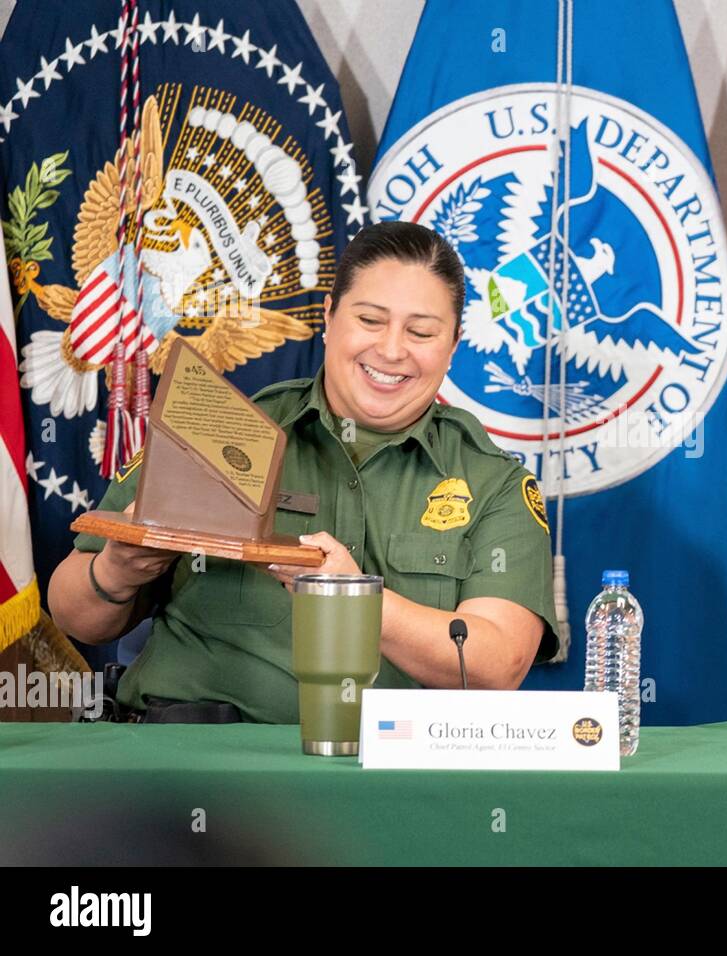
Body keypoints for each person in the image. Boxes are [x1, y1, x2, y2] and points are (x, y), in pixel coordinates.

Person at [48, 222, 558, 723]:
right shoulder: (221, 435)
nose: (392, 349)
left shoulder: (493, 482)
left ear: (452, 344)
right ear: (330, 317)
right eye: (371, 321)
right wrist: (116, 570)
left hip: (391, 783)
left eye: (421, 331)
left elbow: (498, 665)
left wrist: (354, 600)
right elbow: (76, 618)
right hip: (191, 769)